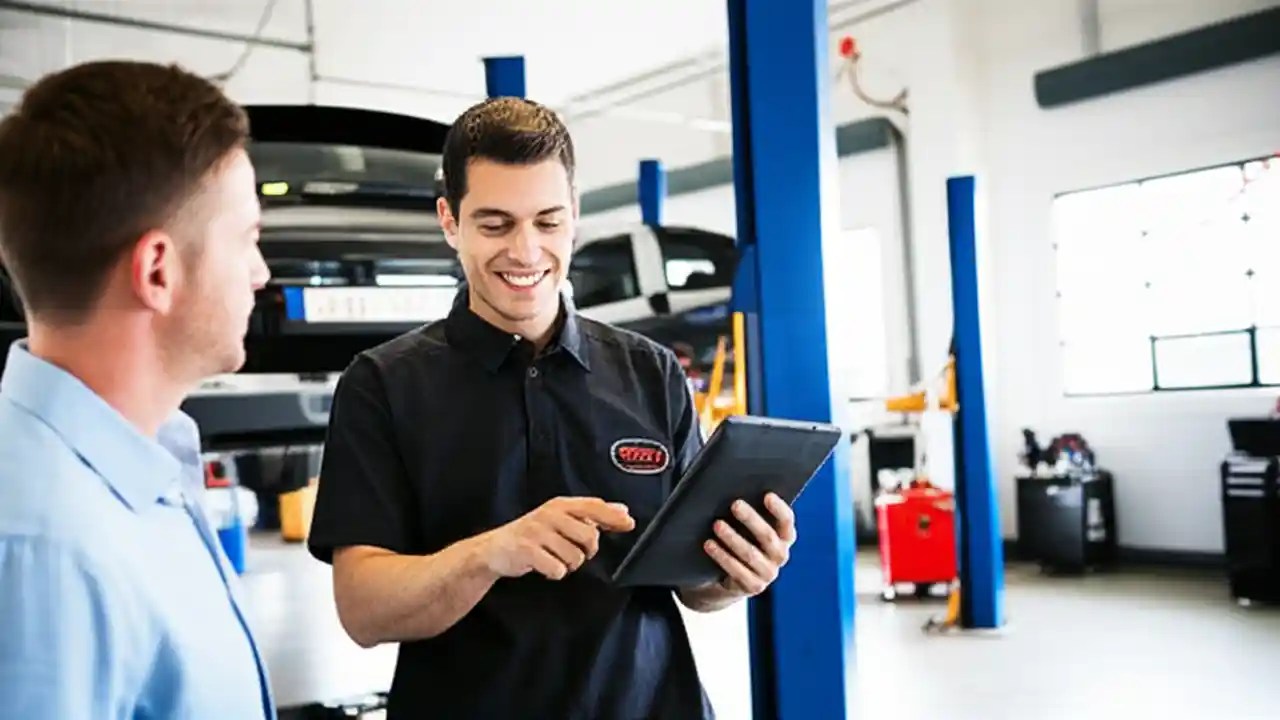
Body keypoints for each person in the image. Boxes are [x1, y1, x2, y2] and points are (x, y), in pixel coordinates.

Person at [307, 97, 798, 719]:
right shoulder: (383, 385)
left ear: (575, 218)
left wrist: (735, 572)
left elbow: (691, 585)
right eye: (494, 224)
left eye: (547, 221)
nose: (526, 251)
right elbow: (363, 609)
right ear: (448, 221)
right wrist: (488, 553)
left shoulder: (650, 371)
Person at [0, 61, 274, 719]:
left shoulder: (142, 473)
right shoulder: (45, 554)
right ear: (158, 270)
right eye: (248, 241)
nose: (261, 275)